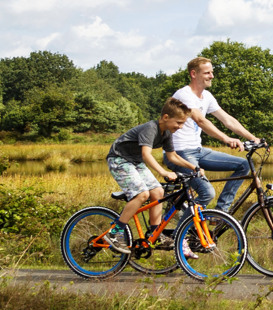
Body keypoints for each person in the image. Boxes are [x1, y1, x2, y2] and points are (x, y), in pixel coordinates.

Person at [170, 56, 262, 214]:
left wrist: (253, 138)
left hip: (198, 151)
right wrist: (226, 139)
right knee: (207, 193)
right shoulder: (184, 94)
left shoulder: (207, 96)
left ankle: (220, 214)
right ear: (194, 74)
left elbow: (228, 120)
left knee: (243, 165)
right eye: (207, 73)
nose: (212, 76)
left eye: (212, 72)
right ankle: (183, 235)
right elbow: (200, 120)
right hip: (180, 153)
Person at [106, 98, 196, 252]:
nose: (180, 127)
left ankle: (154, 233)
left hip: (135, 161)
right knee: (141, 194)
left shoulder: (167, 133)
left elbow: (172, 156)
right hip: (119, 159)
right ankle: (114, 233)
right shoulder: (150, 128)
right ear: (166, 117)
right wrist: (163, 172)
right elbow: (146, 154)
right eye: (179, 123)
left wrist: (193, 167)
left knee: (158, 192)